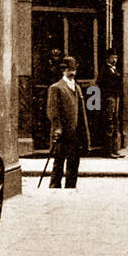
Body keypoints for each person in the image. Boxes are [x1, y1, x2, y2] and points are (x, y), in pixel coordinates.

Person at [46, 56, 89, 188]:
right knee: (58, 164)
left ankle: (70, 188)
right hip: (62, 134)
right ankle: (54, 188)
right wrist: (57, 129)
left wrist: (83, 131)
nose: (72, 72)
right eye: (68, 70)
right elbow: (52, 112)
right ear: (63, 71)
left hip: (75, 133)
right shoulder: (56, 88)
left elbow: (81, 112)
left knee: (73, 163)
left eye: (73, 69)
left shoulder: (77, 87)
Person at [100, 50, 125, 158]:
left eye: (116, 57)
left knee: (115, 123)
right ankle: (108, 151)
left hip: (115, 98)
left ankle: (115, 149)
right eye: (112, 58)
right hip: (109, 99)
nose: (114, 60)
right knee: (109, 124)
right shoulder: (105, 70)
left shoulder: (115, 70)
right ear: (107, 59)